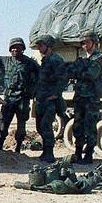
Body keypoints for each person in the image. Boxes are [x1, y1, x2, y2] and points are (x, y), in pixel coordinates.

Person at [0, 37, 40, 153]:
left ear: (22, 49)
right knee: (4, 124)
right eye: (12, 47)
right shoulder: (5, 61)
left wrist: (33, 90)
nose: (15, 50)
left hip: (23, 99)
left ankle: (18, 148)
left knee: (21, 125)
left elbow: (40, 76)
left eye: (18, 47)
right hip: (9, 99)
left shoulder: (30, 63)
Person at [67, 32, 102, 164]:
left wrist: (79, 71)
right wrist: (78, 70)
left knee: (90, 126)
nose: (85, 45)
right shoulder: (82, 60)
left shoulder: (98, 58)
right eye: (83, 43)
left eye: (87, 42)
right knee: (78, 126)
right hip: (79, 98)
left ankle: (89, 154)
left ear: (94, 43)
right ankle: (78, 152)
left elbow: (92, 74)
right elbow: (70, 72)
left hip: (91, 98)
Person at [31, 36, 68, 164]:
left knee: (46, 126)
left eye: (41, 46)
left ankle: (49, 153)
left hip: (50, 100)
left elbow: (63, 78)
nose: (39, 48)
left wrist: (56, 94)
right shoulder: (46, 60)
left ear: (48, 46)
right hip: (41, 99)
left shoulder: (55, 60)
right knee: (40, 127)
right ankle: (46, 152)